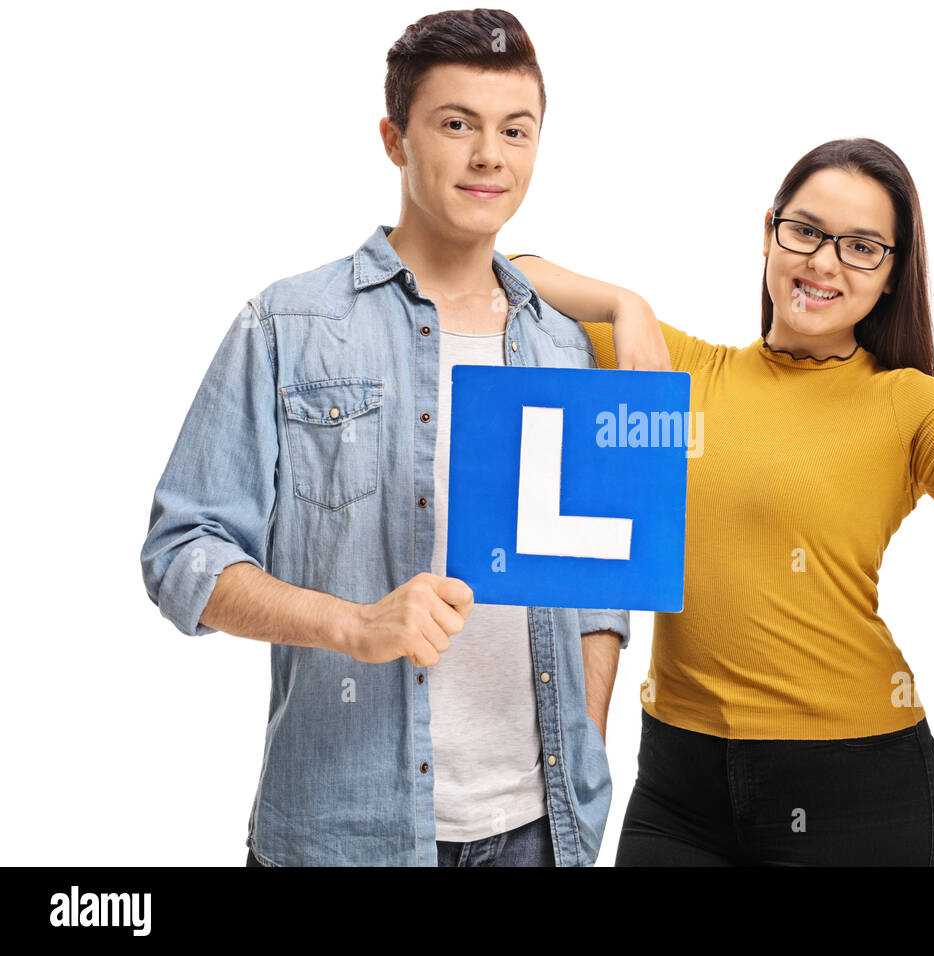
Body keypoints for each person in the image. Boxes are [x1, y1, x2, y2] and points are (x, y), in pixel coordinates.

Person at [508, 136, 934, 865]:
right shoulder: (674, 368)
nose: (824, 262)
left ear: (893, 273)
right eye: (805, 232)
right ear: (769, 232)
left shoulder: (903, 405)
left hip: (855, 788)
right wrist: (626, 302)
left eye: (862, 247)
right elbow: (514, 276)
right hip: (677, 783)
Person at [139, 9, 646, 867]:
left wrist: (587, 744)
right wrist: (352, 625)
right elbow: (182, 552)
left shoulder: (566, 345)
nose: (490, 155)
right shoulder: (288, 324)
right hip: (344, 836)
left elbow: (597, 582)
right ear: (394, 138)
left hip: (538, 834)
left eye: (515, 130)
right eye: (457, 124)